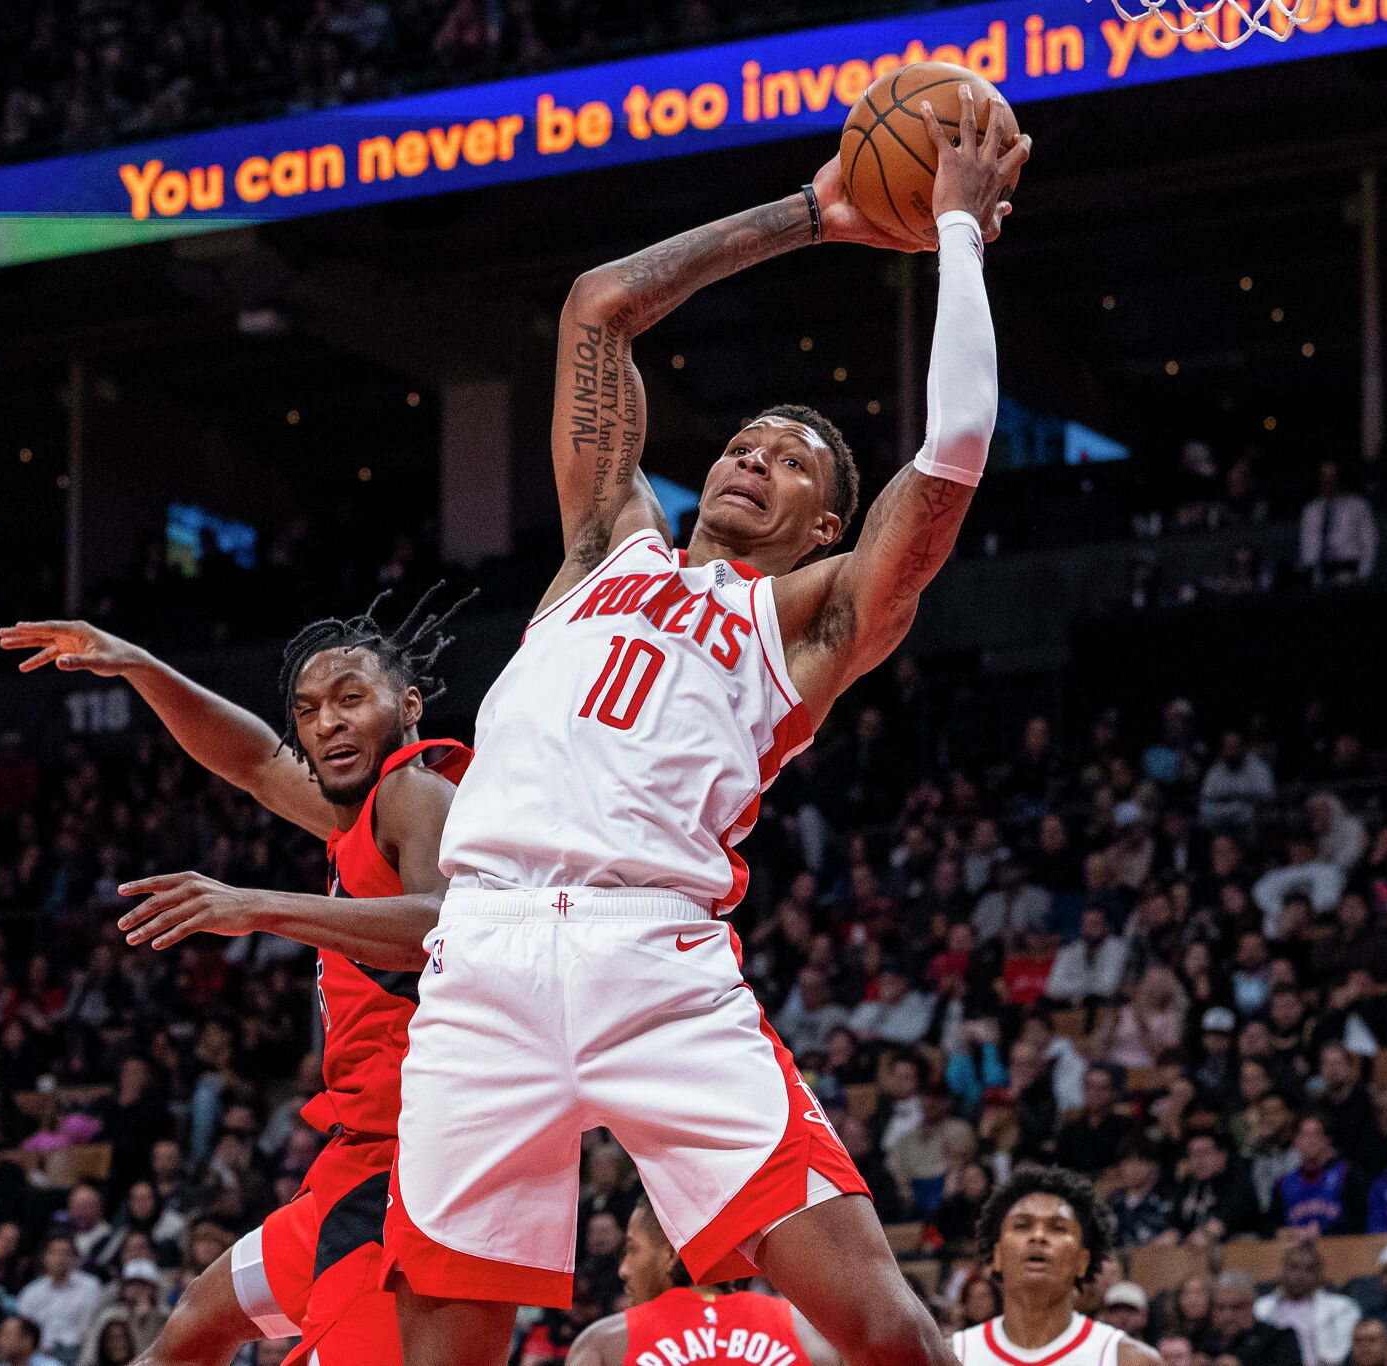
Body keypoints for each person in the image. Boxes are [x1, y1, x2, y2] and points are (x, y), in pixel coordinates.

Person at [382, 87, 1030, 1366]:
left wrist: (953, 231)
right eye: (741, 441)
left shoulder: (811, 618)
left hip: (652, 958)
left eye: (788, 459)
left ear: (825, 525)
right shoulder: (598, 551)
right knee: (442, 1348)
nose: (749, 457)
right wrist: (814, 213)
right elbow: (597, 306)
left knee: (883, 1329)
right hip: (481, 953)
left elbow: (953, 442)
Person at [6, 593, 474, 1366]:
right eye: (310, 709)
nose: (326, 723)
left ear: (410, 704)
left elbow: (439, 927)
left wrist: (254, 904)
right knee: (191, 1331)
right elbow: (255, 760)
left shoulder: (415, 790)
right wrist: (143, 667)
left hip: (402, 1175)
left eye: (351, 698)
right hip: (351, 1165)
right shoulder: (354, 817)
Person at [564, 1200, 841, 1366]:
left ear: (672, 1254)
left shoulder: (603, 1344)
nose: (623, 1269)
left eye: (633, 1249)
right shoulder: (808, 1332)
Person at [948, 1167, 1158, 1366]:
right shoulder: (950, 1357)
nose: (1038, 1237)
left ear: (1082, 1261)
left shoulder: (1130, 1359)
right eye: (1022, 1226)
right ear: (998, 1255)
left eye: (1058, 1228)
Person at [1253, 1241, 1360, 1366]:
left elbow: (1342, 1352)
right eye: (1294, 1267)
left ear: (1319, 1274)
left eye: (1309, 1269)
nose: (1300, 1275)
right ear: (1282, 1270)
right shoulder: (1259, 1307)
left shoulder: (1342, 1307)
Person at [13, 1236, 102, 1362]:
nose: (60, 1259)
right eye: (54, 1253)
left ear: (74, 1258)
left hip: (75, 1353)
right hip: (39, 1354)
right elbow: (24, 1331)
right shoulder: (31, 1291)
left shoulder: (90, 1286)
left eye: (66, 1253)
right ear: (45, 1257)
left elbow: (91, 1329)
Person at [1298, 460, 1377, 584]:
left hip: (1351, 576)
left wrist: (1362, 577)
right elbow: (1307, 549)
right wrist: (1311, 579)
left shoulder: (1358, 505)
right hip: (1320, 580)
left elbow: (1370, 545)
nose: (1328, 481)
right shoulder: (1310, 510)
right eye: (1324, 477)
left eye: (1331, 476)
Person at [1199, 1270, 1300, 1366]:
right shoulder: (1199, 1337)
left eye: (1237, 1307)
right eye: (1220, 1308)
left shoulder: (1278, 1339)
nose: (1228, 1315)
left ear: (1251, 1305)